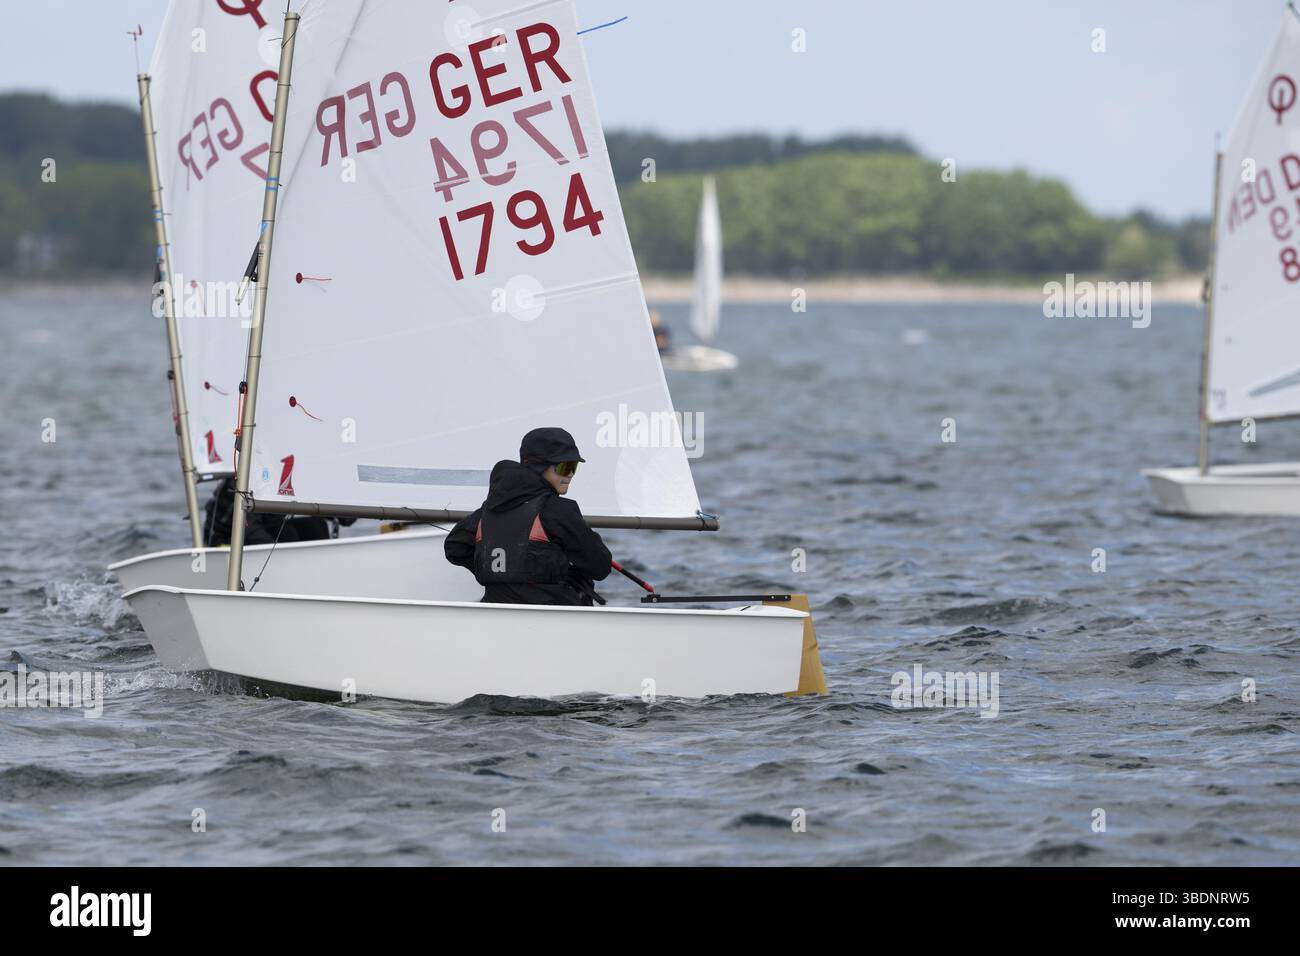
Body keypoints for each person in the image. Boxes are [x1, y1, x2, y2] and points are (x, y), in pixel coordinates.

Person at [444, 427, 612, 605]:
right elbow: (600, 568)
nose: (570, 474)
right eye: (564, 467)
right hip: (557, 620)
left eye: (573, 467)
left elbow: (455, 547)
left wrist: (496, 572)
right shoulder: (559, 510)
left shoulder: (488, 510)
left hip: (495, 615)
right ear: (538, 467)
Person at [201, 476, 349, 546]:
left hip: (265, 527)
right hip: (225, 540)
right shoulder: (252, 476)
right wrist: (282, 558)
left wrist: (348, 511)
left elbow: (340, 517)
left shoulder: (292, 472)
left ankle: (320, 571)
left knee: (315, 526)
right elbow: (250, 529)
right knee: (289, 536)